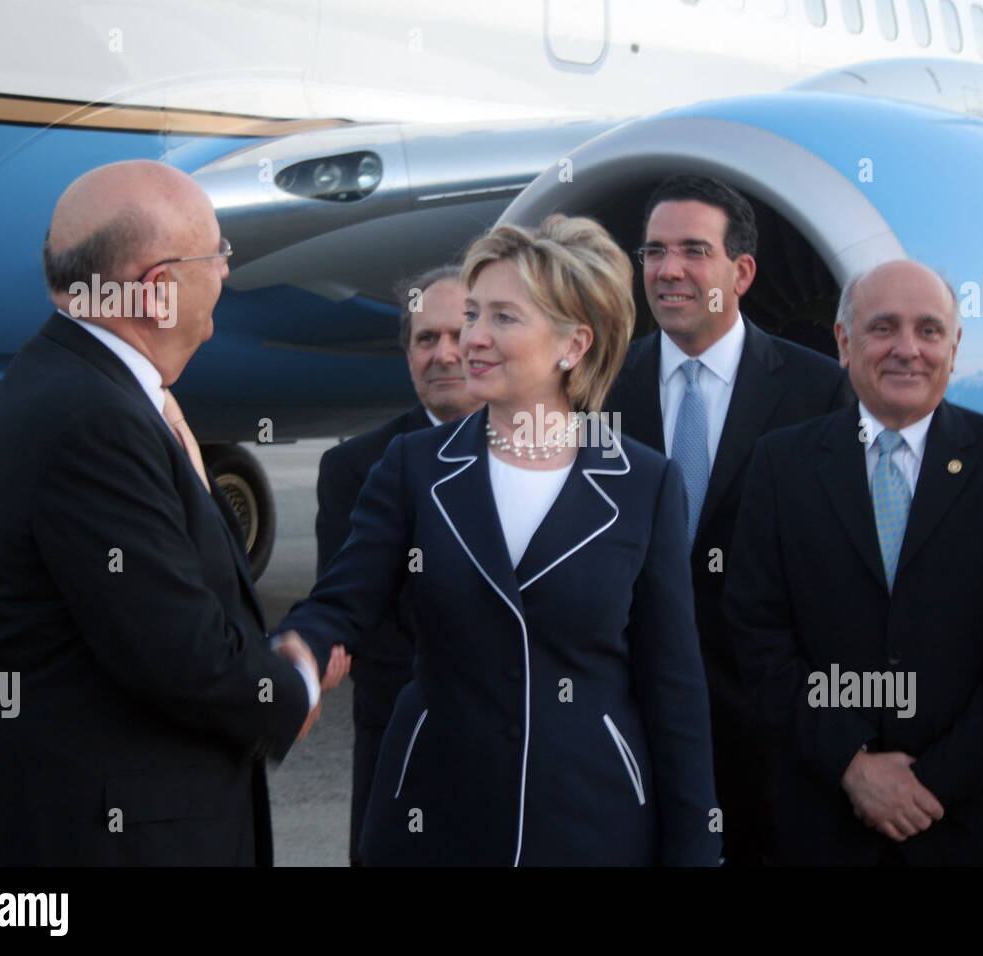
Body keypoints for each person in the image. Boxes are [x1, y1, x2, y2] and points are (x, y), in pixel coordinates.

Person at [277, 214, 719, 865]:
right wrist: (298, 656)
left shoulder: (644, 483)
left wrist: (696, 852)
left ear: (573, 344)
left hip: (589, 826)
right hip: (435, 822)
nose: (470, 340)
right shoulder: (413, 466)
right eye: (473, 314)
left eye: (502, 319)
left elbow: (673, 686)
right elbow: (342, 602)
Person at [0, 160, 327, 866]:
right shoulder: (93, 418)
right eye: (217, 255)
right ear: (157, 290)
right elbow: (180, 656)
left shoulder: (75, 381)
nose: (227, 273)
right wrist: (291, 684)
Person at [725, 259, 983, 865]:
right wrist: (852, 765)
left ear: (954, 347)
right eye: (883, 327)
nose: (907, 350)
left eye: (929, 330)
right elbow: (759, 638)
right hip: (827, 821)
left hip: (976, 822)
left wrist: (930, 784)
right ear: (843, 341)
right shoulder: (780, 466)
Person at [605, 174, 851, 865]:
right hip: (630, 730)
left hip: (768, 741)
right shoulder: (597, 389)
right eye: (653, 252)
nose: (668, 270)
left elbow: (836, 571)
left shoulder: (817, 391)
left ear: (741, 272)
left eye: (693, 250)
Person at [314, 265, 482, 864]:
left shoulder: (545, 457)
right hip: (402, 748)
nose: (444, 354)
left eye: (459, 335)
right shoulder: (354, 469)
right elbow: (358, 623)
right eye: (425, 339)